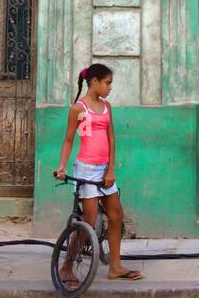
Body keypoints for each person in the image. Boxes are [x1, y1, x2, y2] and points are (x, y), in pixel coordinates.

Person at [55, 63, 142, 281]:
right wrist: (62, 167)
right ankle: (67, 267)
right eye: (108, 83)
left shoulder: (107, 107)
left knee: (116, 214)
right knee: (89, 221)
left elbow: (111, 139)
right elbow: (68, 140)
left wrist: (111, 169)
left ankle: (115, 266)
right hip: (85, 170)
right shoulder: (78, 109)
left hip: (104, 171)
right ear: (94, 82)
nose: (110, 87)